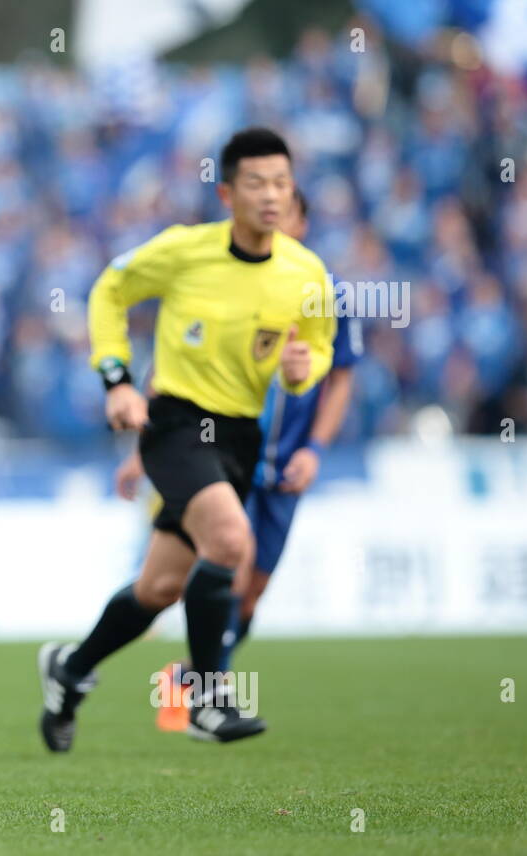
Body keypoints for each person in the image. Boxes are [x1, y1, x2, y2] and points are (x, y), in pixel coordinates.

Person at [38, 128, 335, 750]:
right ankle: (206, 697)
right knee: (230, 541)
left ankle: (70, 669)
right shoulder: (184, 251)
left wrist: (305, 369)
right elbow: (109, 291)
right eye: (256, 183)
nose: (272, 195)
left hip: (240, 438)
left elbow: (318, 348)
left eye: (282, 182)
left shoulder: (307, 273)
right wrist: (116, 380)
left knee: (161, 588)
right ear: (227, 191)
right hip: (174, 425)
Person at [152, 187, 362, 731]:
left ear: (302, 223)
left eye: (285, 212)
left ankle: (193, 676)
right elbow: (183, 364)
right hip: (221, 454)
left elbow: (341, 378)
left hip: (286, 467)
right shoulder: (224, 280)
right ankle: (207, 698)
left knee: (251, 593)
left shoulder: (323, 292)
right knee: (230, 558)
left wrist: (314, 449)